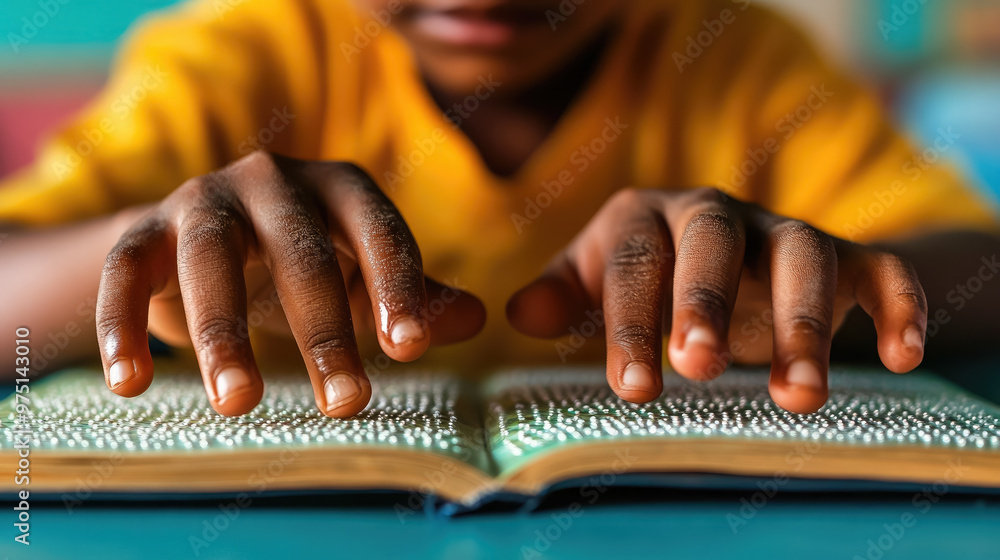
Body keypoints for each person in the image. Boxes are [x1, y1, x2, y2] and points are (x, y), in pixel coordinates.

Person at [1, 0, 997, 417]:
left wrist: (814, 285)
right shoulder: (235, 57)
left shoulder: (732, 57)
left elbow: (973, 268)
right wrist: (141, 257)